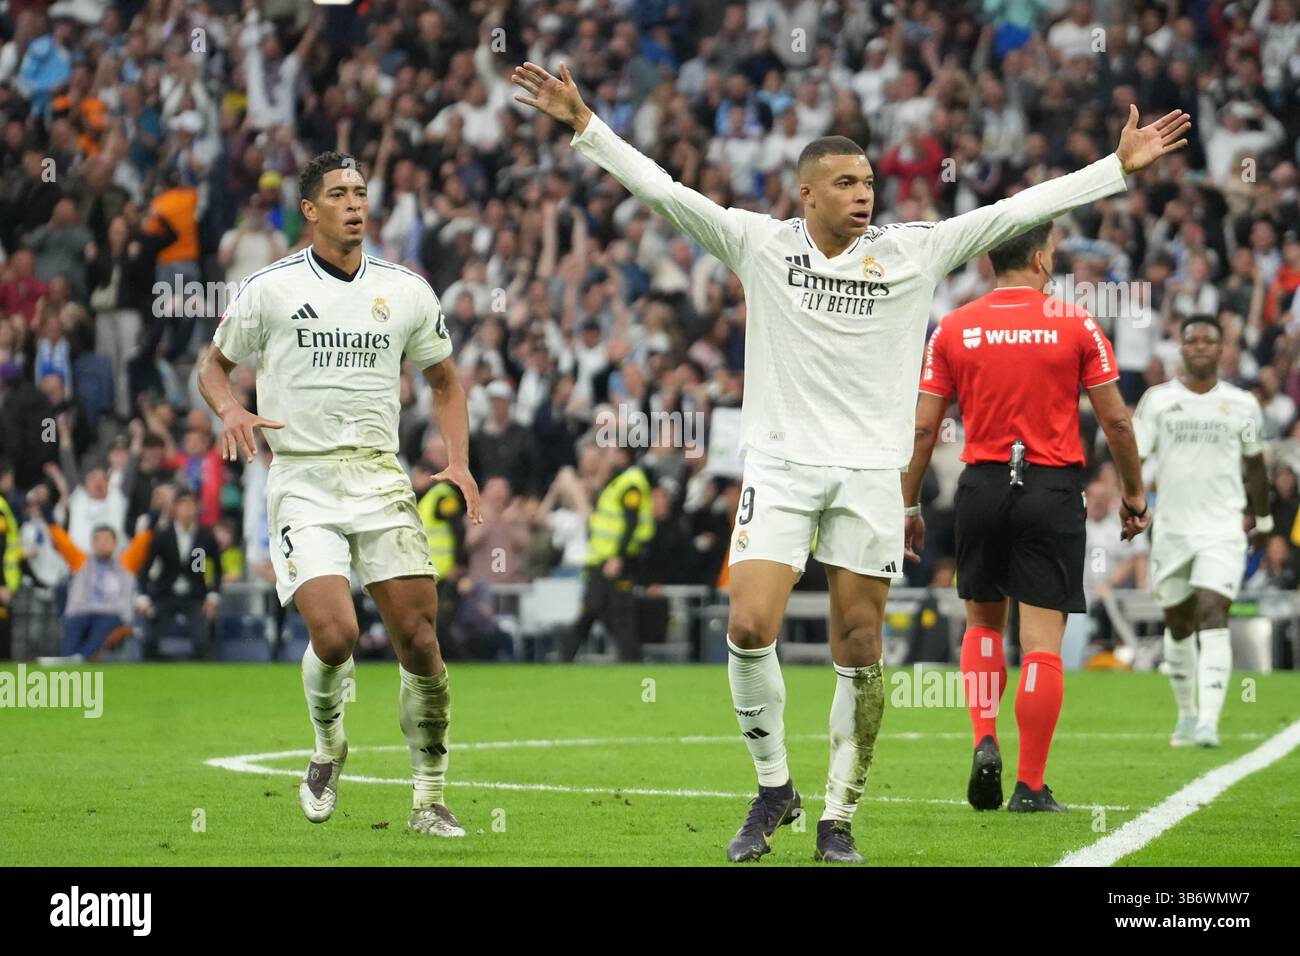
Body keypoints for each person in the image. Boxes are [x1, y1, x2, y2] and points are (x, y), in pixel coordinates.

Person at [511, 59, 1189, 862]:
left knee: (859, 646)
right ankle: (774, 790)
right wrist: (586, 127)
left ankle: (838, 816)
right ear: (806, 193)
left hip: (869, 474)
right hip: (781, 466)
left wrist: (1115, 171)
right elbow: (663, 191)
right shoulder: (757, 243)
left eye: (868, 180)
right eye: (844, 182)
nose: (863, 193)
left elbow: (1018, 207)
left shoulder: (914, 251)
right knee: (749, 623)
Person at [195, 150, 481, 838]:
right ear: (311, 210)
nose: (355, 203)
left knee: (419, 640)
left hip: (380, 475)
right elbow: (213, 365)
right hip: (302, 479)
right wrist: (229, 409)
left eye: (361, 191)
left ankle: (429, 799)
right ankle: (328, 747)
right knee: (338, 633)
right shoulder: (269, 288)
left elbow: (445, 383)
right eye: (339, 193)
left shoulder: (407, 289)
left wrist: (461, 461)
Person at [903, 223, 1150, 813]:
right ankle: (1030, 786)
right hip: (1050, 486)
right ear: (1040, 259)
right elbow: (1116, 422)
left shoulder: (955, 327)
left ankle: (984, 737)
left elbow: (922, 428)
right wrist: (1134, 495)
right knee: (1041, 644)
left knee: (984, 627)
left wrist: (909, 502)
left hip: (982, 486)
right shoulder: (1076, 323)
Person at [1132, 315, 1271, 748]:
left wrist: (1263, 520)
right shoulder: (1157, 401)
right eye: (1190, 340)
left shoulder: (1243, 404)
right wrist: (1130, 502)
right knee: (1177, 624)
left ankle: (1209, 721)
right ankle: (1187, 715)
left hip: (1223, 528)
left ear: (1222, 348)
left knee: (1213, 614)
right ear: (1180, 347)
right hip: (1171, 529)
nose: (1199, 347)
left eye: (1208, 340)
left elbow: (1255, 464)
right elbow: (1133, 456)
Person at [562, 445, 654, 662]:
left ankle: (631, 658)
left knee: (613, 613)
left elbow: (631, 523)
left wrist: (618, 557)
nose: (608, 456)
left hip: (614, 560)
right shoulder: (619, 481)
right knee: (599, 609)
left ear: (623, 456)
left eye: (612, 452)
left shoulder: (631, 483)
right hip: (600, 558)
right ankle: (569, 655)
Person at [136, 489, 221, 659]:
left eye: (191, 505)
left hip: (195, 595)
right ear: (175, 509)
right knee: (150, 641)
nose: (188, 509)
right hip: (165, 594)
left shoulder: (204, 535)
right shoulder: (163, 534)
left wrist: (212, 596)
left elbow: (217, 567)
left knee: (203, 641)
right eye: (183, 505)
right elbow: (145, 567)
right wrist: (143, 596)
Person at [50, 522, 153, 659]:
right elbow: (63, 542)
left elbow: (143, 540)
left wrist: (154, 514)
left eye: (107, 539)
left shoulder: (126, 563)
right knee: (72, 623)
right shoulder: (81, 561)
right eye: (98, 539)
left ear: (115, 543)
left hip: (111, 613)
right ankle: (69, 658)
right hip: (83, 611)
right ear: (92, 543)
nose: (102, 543)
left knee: (104, 625)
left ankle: (82, 657)